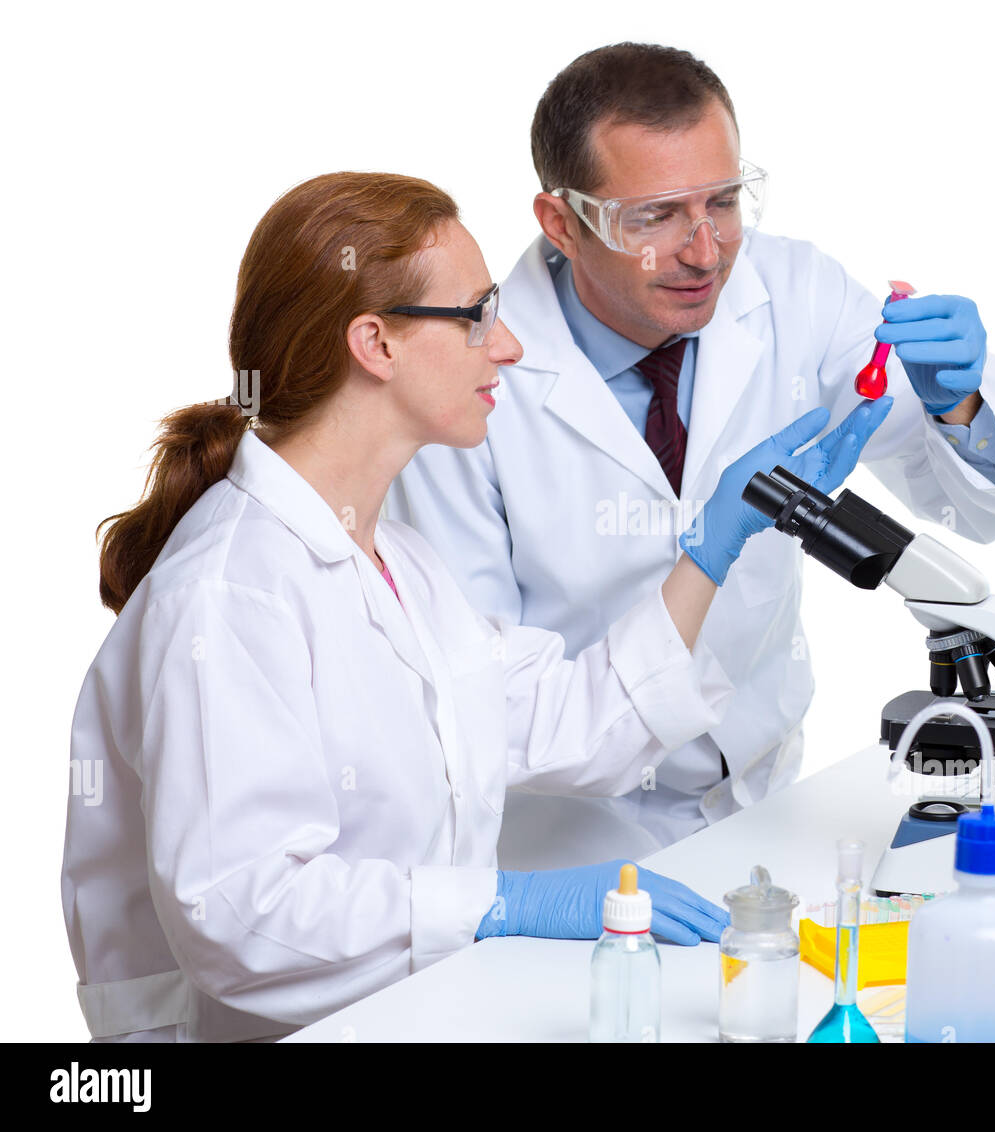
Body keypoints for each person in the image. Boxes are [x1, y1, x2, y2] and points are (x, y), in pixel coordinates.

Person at [61, 171, 888, 1042]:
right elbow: (240, 913)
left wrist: (719, 541)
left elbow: (575, 722)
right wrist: (502, 902)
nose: (509, 347)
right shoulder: (231, 593)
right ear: (375, 344)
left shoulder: (396, 563)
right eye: (477, 316)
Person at [388, 43, 995, 863]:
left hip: (764, 806)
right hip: (563, 836)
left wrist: (956, 401)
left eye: (722, 200)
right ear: (563, 224)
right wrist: (703, 558)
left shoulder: (794, 296)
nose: (705, 251)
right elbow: (485, 697)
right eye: (656, 216)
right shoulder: (466, 381)